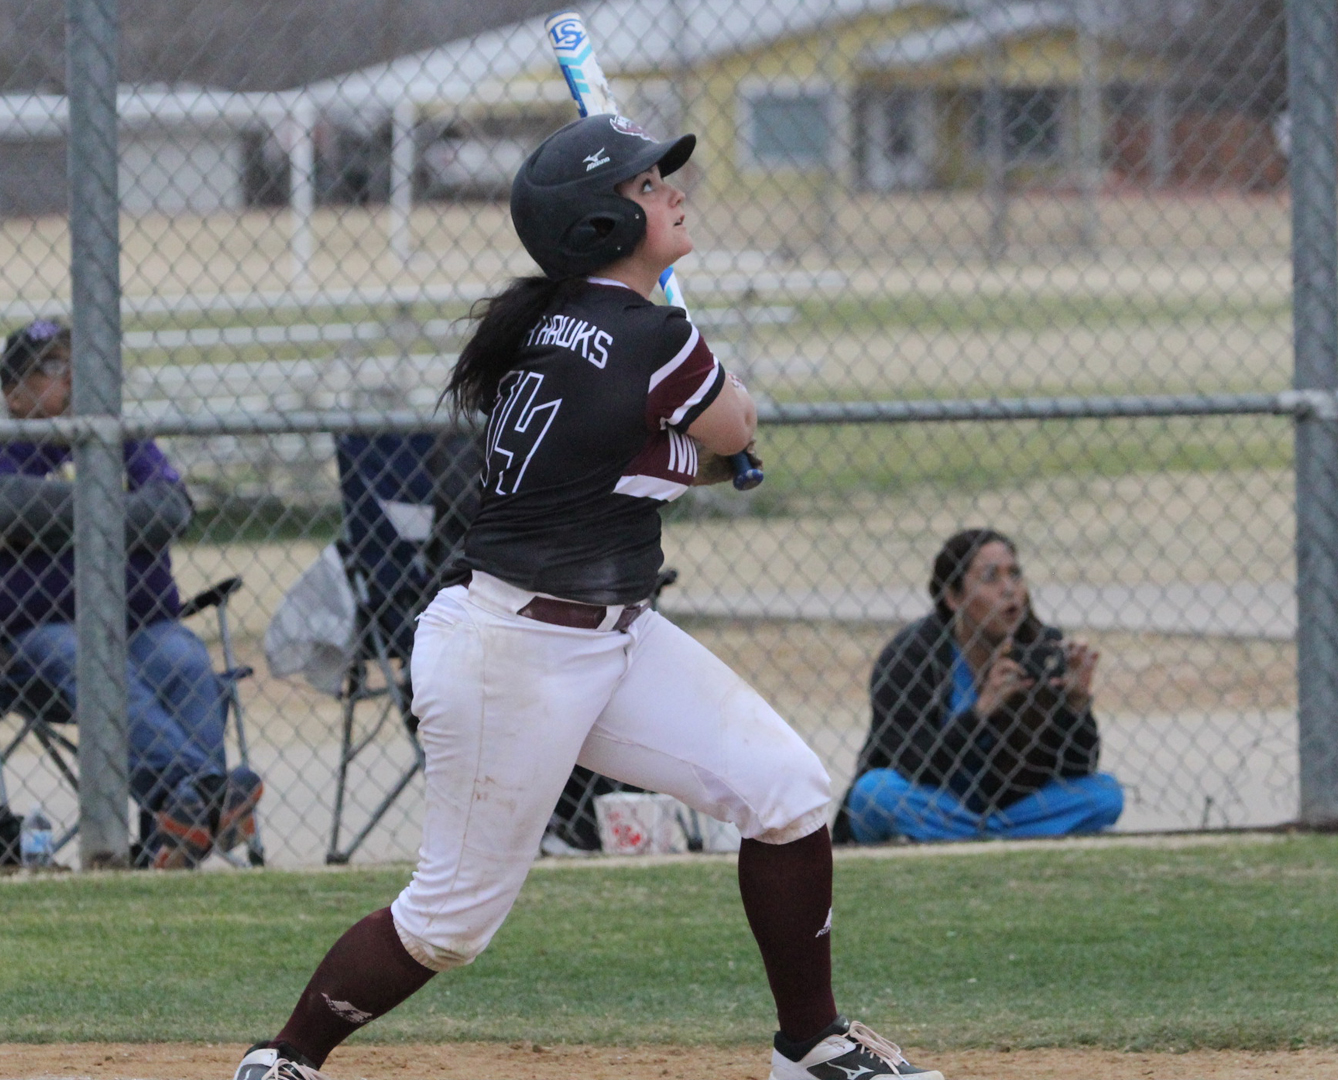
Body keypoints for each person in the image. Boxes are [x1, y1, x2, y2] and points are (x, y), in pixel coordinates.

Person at [233, 114, 940, 1080]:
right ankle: (286, 1059)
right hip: (513, 655)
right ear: (601, 224)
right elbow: (736, 425)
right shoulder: (651, 332)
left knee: (785, 791)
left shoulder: (554, 322)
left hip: (610, 636)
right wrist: (707, 395)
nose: (674, 193)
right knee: (447, 924)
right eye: (648, 187)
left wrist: (698, 436)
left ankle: (810, 1046)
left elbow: (651, 457)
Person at [0, 319, 260, 868]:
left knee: (185, 662)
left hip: (140, 623)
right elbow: (8, 506)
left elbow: (170, 508)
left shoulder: (122, 435)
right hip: (37, 637)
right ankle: (202, 801)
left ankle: (178, 830)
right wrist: (118, 515)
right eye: (53, 368)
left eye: (80, 365)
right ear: (13, 392)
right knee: (93, 664)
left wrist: (59, 521)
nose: (74, 379)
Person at [841, 529, 1123, 844]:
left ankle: (970, 838)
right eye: (990, 578)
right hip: (937, 800)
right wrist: (981, 711)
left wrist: (1076, 705)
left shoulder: (1041, 649)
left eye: (1014, 575)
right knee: (874, 793)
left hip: (1013, 809)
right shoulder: (909, 657)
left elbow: (1076, 766)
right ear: (953, 597)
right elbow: (914, 765)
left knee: (1106, 794)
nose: (1009, 590)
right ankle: (1008, 839)